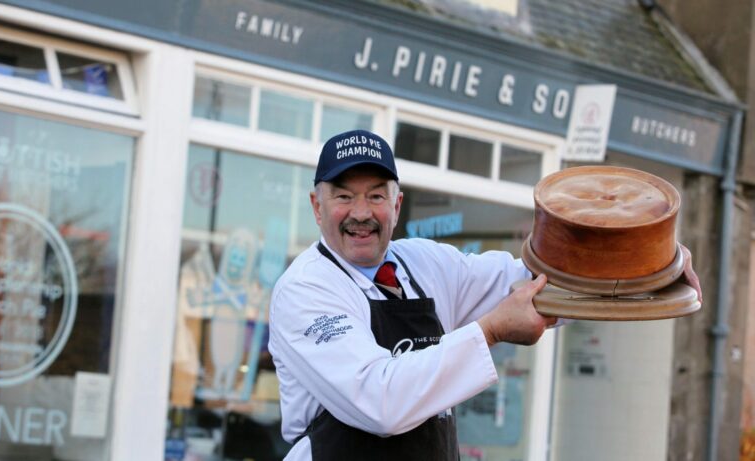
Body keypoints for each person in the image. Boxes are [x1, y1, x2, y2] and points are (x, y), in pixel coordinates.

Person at [268, 129, 702, 461]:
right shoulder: (307, 289)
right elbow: (380, 402)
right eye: (344, 196)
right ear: (316, 206)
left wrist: (649, 270)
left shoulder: (425, 264)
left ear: (397, 207)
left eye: (376, 196)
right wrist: (491, 330)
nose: (361, 213)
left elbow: (543, 286)